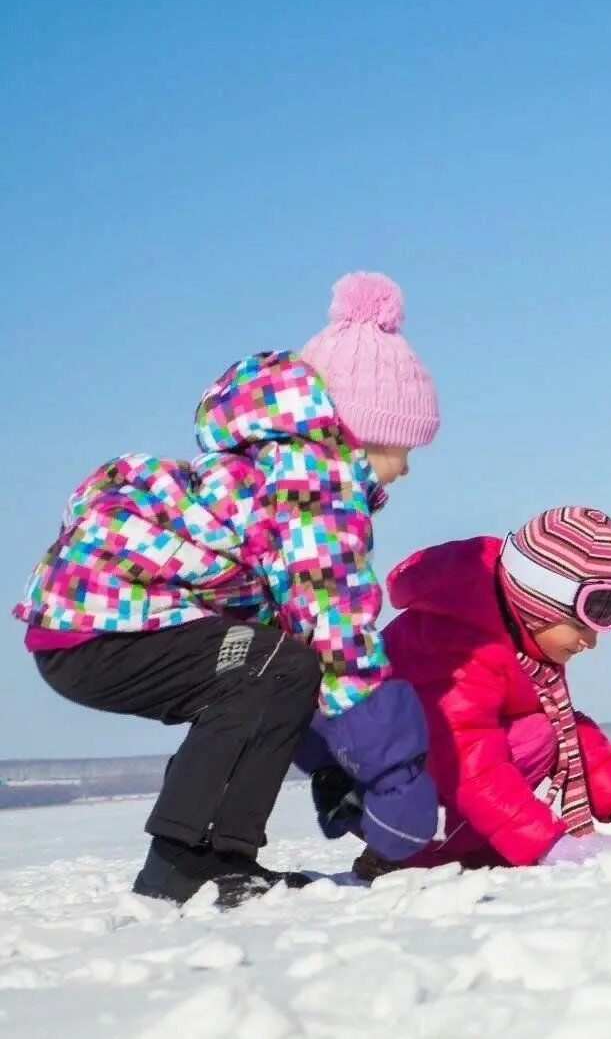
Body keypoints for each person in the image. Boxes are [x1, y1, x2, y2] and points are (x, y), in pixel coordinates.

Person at [16, 273, 440, 905]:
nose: (406, 467)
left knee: (276, 663)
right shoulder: (312, 484)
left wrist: (333, 765)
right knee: (275, 662)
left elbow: (301, 658)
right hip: (102, 633)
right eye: (403, 446)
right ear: (360, 429)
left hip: (96, 630)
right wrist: (395, 781)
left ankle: (221, 857)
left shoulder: (278, 472)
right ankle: (186, 861)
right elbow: (339, 635)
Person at [349, 506, 611, 873]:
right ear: (541, 603)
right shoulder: (460, 646)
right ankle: (410, 855)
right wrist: (548, 843)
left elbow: (566, 731)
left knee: (543, 729)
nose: (591, 642)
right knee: (533, 735)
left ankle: (470, 848)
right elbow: (466, 754)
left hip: (426, 772)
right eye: (582, 625)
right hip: (386, 785)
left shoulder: (521, 636)